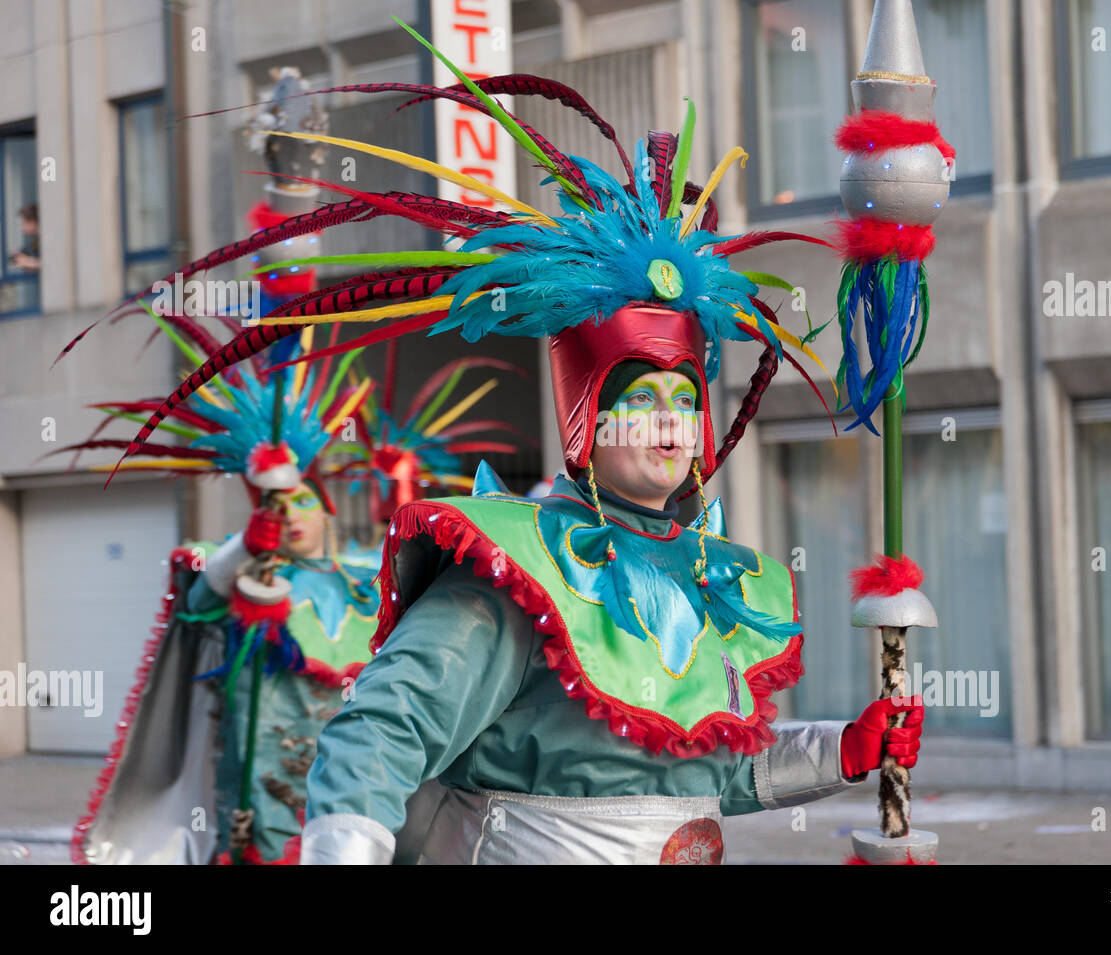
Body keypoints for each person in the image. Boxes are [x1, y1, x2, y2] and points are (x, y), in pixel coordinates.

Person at [94, 39, 925, 864]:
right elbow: (381, 732)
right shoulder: (513, 575)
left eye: (685, 401)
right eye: (638, 402)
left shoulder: (707, 577)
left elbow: (707, 776)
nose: (671, 424)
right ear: (584, 422)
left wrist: (847, 748)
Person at [69, 319, 512, 864]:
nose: (289, 516)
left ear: (326, 506)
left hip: (361, 807)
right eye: (275, 506)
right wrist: (244, 548)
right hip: (263, 811)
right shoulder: (241, 579)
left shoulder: (371, 579)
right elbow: (196, 605)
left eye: (301, 501)